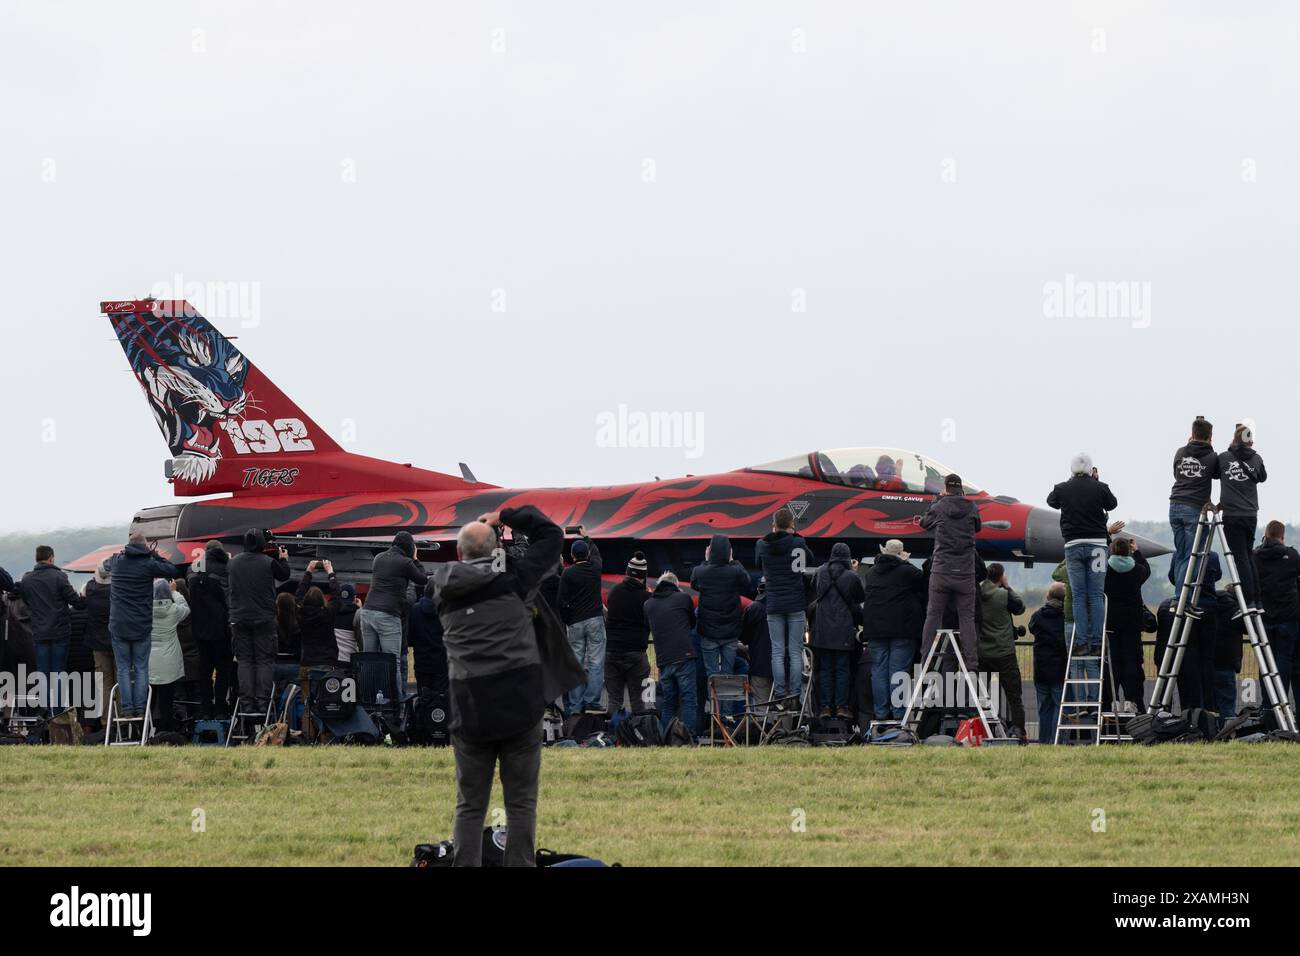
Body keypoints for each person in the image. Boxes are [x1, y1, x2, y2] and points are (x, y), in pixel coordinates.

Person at [429, 506, 566, 867]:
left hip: (470, 708)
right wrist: (506, 515)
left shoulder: (442, 588)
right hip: (519, 706)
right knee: (521, 803)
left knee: (470, 805)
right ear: (496, 552)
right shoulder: (517, 580)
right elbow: (552, 535)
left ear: (458, 554)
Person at [1046, 454, 1118, 666]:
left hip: (1073, 545)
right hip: (1097, 545)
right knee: (1096, 595)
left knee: (1078, 595)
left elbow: (1051, 501)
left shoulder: (1062, 488)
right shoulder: (1100, 487)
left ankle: (1081, 642)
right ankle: (1096, 642)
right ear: (1091, 470)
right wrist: (1095, 482)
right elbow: (1112, 504)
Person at [107, 532, 178, 720]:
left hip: (119, 624)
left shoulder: (118, 562)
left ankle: (127, 708)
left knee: (123, 668)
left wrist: (122, 553)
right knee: (140, 667)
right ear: (145, 546)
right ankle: (140, 707)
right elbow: (172, 570)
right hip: (141, 624)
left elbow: (106, 565)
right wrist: (153, 555)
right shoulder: (148, 564)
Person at [919, 474, 982, 675]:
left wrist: (938, 500)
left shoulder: (940, 505)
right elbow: (978, 527)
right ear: (961, 488)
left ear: (946, 487)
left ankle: (926, 658)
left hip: (942, 570)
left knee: (933, 615)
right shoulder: (971, 507)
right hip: (965, 571)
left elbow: (924, 523)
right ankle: (971, 663)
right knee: (967, 617)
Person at [227, 529, 291, 715]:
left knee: (245, 661)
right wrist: (283, 558)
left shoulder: (233, 563)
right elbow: (284, 575)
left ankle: (247, 703)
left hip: (239, 618)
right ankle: (262, 702)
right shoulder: (268, 563)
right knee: (264, 661)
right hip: (264, 618)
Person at [861, 539, 925, 721]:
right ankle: (898, 714)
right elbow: (921, 580)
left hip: (875, 630)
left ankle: (881, 713)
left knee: (879, 671)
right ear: (901, 554)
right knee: (898, 671)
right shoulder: (907, 571)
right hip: (902, 629)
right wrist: (905, 561)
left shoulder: (871, 573)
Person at [18, 546, 85, 713]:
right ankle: (59, 709)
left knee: (43, 672)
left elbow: (26, 602)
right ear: (51, 557)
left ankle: (46, 710)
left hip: (39, 632)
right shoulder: (59, 577)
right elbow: (74, 600)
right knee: (58, 671)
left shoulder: (27, 579)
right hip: (60, 632)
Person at [755, 508, 812, 703]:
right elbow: (810, 560)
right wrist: (794, 535)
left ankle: (780, 693)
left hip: (774, 603)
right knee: (795, 651)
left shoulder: (762, 544)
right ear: (792, 525)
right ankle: (795, 692)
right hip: (795, 602)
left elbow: (757, 563)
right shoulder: (798, 542)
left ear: (774, 524)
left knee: (777, 651)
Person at [362, 531, 428, 692]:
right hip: (388, 614)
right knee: (393, 663)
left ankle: (368, 700)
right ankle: (396, 706)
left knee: (369, 661)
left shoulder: (378, 558)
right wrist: (415, 558)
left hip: (368, 611)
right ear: (409, 547)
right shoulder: (405, 562)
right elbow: (422, 579)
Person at [690, 533, 756, 684]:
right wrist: (732, 561)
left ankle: (714, 707)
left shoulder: (700, 572)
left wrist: (707, 561)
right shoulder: (735, 572)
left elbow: (694, 583)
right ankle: (726, 708)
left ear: (710, 551)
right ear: (728, 551)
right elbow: (747, 582)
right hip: (730, 633)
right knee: (728, 675)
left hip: (708, 632)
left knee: (712, 675)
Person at [809, 542, 863, 719]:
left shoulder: (819, 572)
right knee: (842, 670)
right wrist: (854, 572)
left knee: (825, 669)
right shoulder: (851, 576)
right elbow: (859, 598)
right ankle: (841, 707)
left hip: (822, 630)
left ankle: (825, 707)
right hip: (843, 630)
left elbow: (813, 591)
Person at [1169, 416, 1219, 600]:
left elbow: (1176, 473)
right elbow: (1216, 474)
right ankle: (1183, 599)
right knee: (1192, 557)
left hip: (1174, 505)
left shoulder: (1180, 452)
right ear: (1210, 437)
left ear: (1192, 434)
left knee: (1181, 554)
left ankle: (1177, 597)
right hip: (1194, 508)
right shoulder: (1212, 456)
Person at [557, 528, 606, 715]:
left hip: (575, 622)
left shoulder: (568, 574)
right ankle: (592, 700)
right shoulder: (595, 568)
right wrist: (586, 536)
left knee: (576, 663)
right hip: (594, 619)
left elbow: (561, 602)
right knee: (596, 661)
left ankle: (576, 704)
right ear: (587, 554)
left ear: (572, 556)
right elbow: (597, 553)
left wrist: (568, 619)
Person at [644, 571, 698, 735]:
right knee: (688, 700)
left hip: (663, 659)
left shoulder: (649, 604)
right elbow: (692, 622)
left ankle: (666, 738)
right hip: (684, 656)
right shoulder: (683, 598)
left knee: (669, 702)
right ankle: (688, 737)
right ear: (676, 585)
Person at [1218, 424, 1267, 607]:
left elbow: (1216, 474)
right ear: (1250, 441)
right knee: (1247, 555)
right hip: (1250, 515)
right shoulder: (1257, 458)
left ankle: (1248, 599)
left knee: (1240, 558)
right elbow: (1262, 477)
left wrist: (1232, 448)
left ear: (1234, 439)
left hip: (1231, 515)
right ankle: (1257, 598)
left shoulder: (1224, 458)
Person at [976, 563, 1027, 737]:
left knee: (979, 694)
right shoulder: (1003, 595)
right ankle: (1018, 730)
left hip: (982, 652)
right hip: (1004, 652)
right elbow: (1020, 607)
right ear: (1001, 577)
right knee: (1014, 695)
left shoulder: (977, 593)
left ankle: (980, 729)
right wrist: (1007, 586)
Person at [1103, 537, 1150, 710]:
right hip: (1132, 621)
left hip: (1111, 621)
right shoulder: (1137, 570)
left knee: (1113, 661)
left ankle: (1114, 700)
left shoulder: (1106, 570)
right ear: (1128, 550)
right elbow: (1147, 569)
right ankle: (1131, 699)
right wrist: (1137, 551)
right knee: (1131, 660)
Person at [187, 540, 233, 719]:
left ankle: (206, 708)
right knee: (223, 668)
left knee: (204, 669)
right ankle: (221, 708)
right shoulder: (227, 567)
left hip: (199, 627)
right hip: (221, 628)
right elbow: (229, 597)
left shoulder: (192, 569)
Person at [1254, 521, 1300, 696]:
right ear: (1282, 536)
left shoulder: (1255, 556)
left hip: (1264, 616)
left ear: (1265, 535)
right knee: (1284, 659)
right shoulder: (1292, 555)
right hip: (1288, 616)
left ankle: (1267, 702)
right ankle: (1283, 699)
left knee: (1265, 660)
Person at [603, 552, 652, 714]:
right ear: (643, 576)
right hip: (636, 653)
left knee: (614, 699)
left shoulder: (614, 592)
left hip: (612, 651)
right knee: (637, 700)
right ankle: (639, 734)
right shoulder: (646, 597)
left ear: (627, 573)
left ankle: (611, 733)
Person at [1029, 582, 1068, 744]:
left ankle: (1044, 741)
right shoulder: (1065, 618)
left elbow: (1032, 629)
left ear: (1048, 596)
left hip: (1041, 669)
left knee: (1044, 708)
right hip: (1059, 669)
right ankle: (1058, 740)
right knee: (1060, 707)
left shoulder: (1037, 616)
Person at [149, 578, 189, 731]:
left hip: (150, 661)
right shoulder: (174, 610)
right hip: (169, 661)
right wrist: (175, 592)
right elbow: (185, 608)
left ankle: (146, 730)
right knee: (167, 700)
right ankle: (166, 731)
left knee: (150, 700)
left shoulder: (145, 609)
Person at [82, 560, 114, 716]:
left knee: (104, 684)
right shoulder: (117, 589)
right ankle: (121, 718)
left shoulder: (89, 589)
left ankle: (106, 721)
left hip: (98, 644)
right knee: (121, 682)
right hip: (116, 641)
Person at [408, 580, 448, 697]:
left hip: (422, 662)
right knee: (441, 702)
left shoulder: (415, 610)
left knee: (424, 700)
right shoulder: (446, 611)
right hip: (441, 663)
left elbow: (410, 638)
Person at [740, 579, 771, 705]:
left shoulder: (753, 608)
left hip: (760, 663)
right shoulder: (788, 609)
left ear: (759, 590)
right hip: (786, 665)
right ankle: (784, 726)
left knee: (762, 703)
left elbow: (743, 637)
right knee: (784, 705)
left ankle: (765, 725)